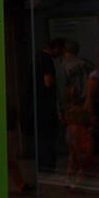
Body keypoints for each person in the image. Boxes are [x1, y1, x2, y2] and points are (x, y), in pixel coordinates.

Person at [36, 37, 65, 173]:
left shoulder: (37, 58)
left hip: (38, 104)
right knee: (48, 137)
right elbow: (48, 81)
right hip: (46, 105)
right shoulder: (47, 60)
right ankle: (48, 166)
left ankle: (43, 165)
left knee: (42, 138)